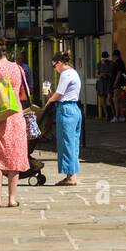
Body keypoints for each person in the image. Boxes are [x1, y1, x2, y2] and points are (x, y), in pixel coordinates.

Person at [0, 38, 30, 208]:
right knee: (14, 157)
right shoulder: (18, 68)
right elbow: (24, 95)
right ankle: (12, 199)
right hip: (15, 117)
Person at [45, 50, 82, 184]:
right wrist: (51, 95)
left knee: (66, 143)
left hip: (66, 109)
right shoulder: (74, 72)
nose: (55, 69)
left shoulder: (65, 74)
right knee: (73, 143)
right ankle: (73, 174)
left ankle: (70, 176)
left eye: (54, 66)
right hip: (75, 109)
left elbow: (60, 94)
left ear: (60, 63)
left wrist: (49, 101)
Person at [110, 48, 126, 123]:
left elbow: (119, 73)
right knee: (120, 100)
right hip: (121, 83)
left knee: (116, 100)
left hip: (119, 84)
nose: (112, 58)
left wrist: (115, 82)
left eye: (113, 56)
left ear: (115, 56)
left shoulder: (118, 62)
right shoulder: (121, 62)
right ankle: (122, 116)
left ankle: (117, 116)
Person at [96, 50, 112, 121]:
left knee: (109, 98)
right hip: (101, 83)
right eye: (103, 57)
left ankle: (113, 114)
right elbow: (96, 74)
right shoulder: (99, 63)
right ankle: (106, 115)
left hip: (108, 82)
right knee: (103, 99)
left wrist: (107, 75)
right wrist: (100, 75)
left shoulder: (111, 64)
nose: (104, 59)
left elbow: (112, 73)